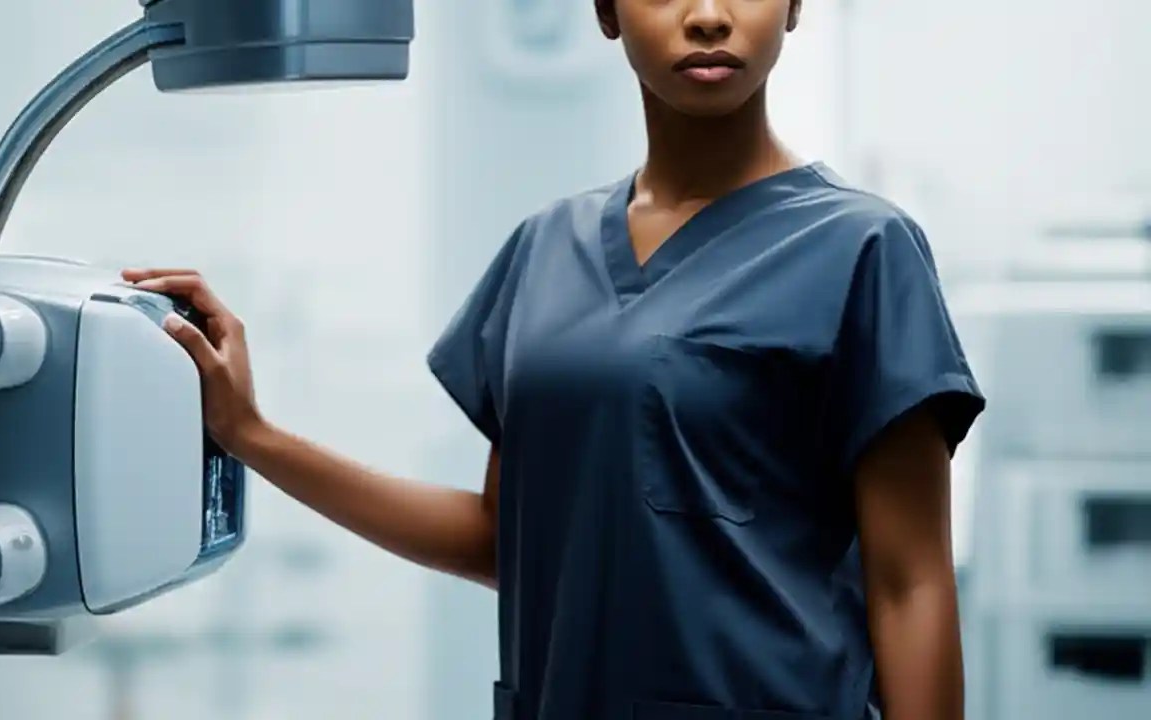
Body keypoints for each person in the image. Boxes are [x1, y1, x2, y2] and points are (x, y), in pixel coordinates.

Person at [122, 1, 986, 718]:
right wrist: (253, 436)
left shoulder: (862, 248)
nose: (709, 16)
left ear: (795, 6)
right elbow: (503, 540)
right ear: (606, 11)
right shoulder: (546, 248)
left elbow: (910, 583)